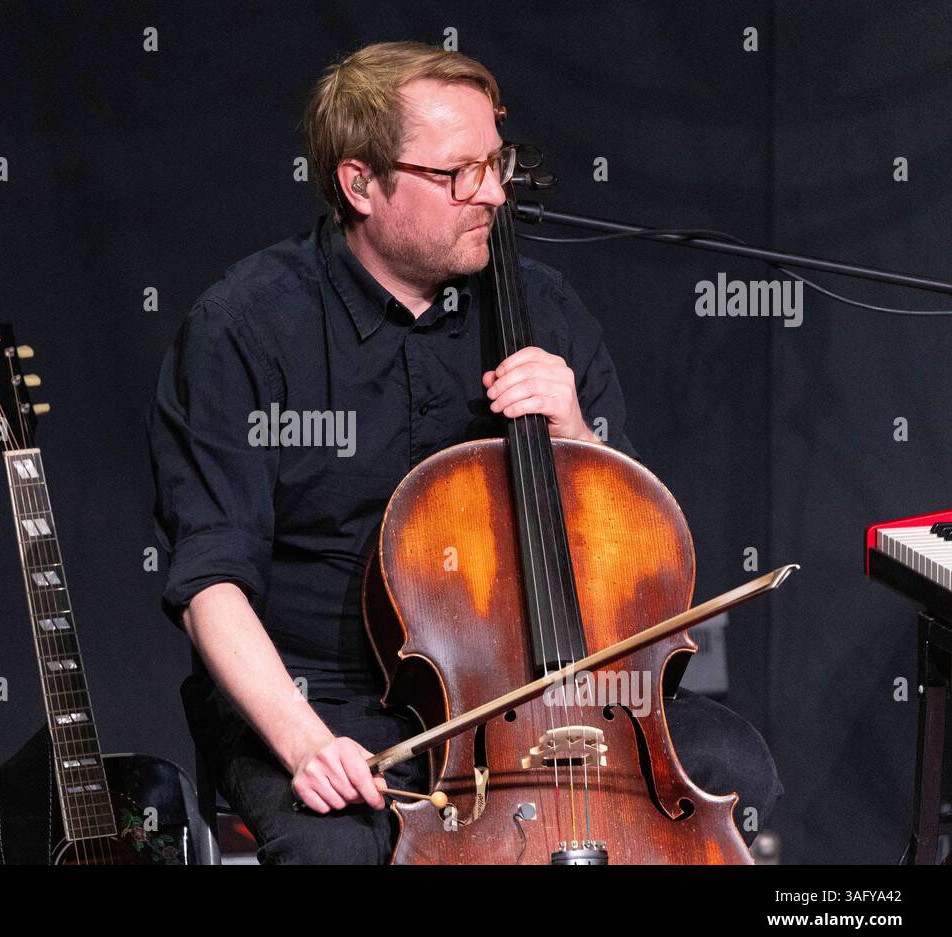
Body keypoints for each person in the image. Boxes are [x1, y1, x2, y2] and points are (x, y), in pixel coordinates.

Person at [147, 40, 782, 864]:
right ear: (360, 184)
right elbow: (211, 585)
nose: (493, 194)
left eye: (498, 162)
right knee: (338, 852)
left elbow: (635, 555)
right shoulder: (245, 330)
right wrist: (306, 743)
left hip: (537, 684)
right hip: (328, 692)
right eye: (459, 175)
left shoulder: (543, 309)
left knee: (736, 771)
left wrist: (577, 439)